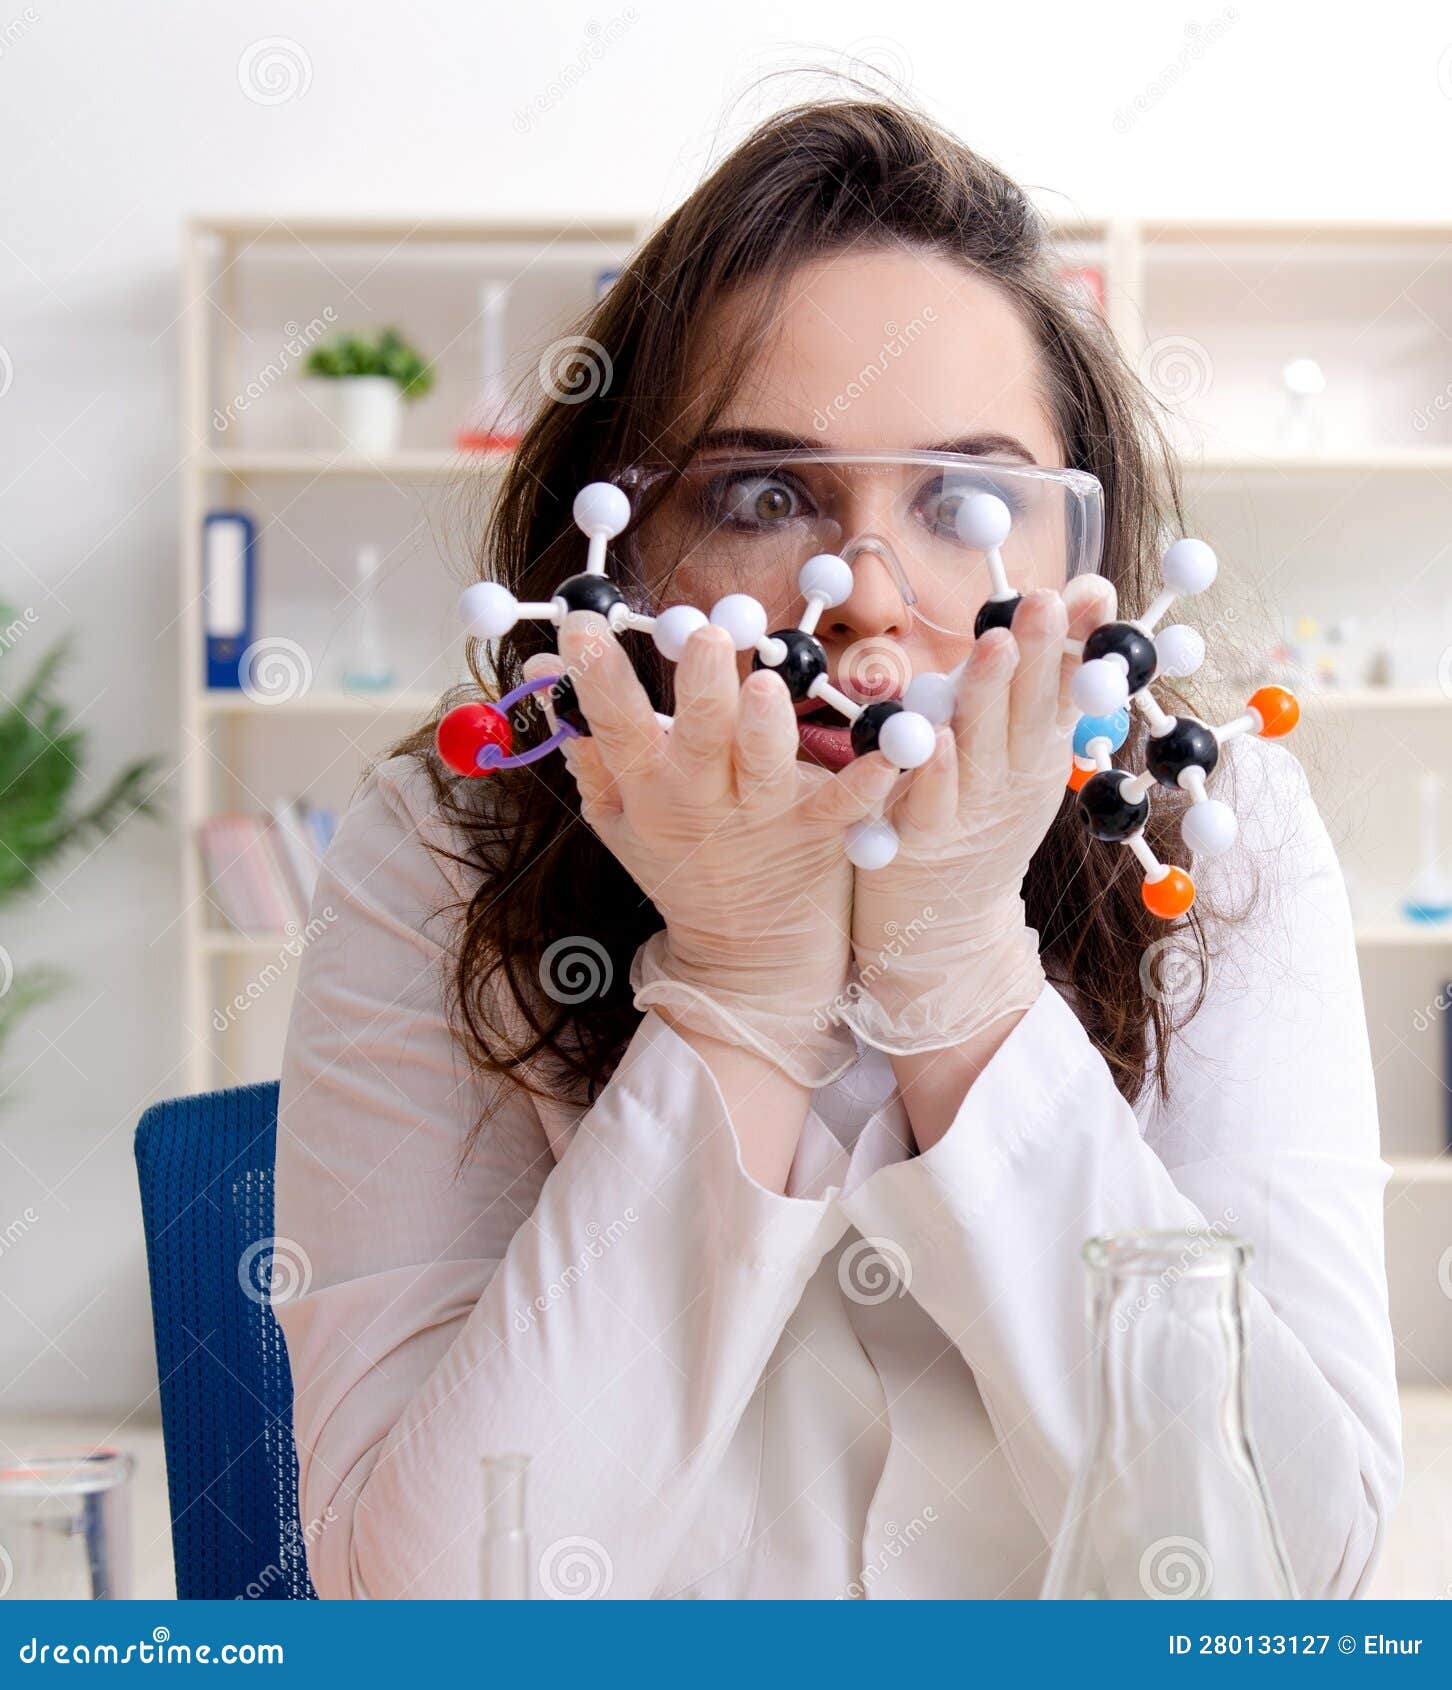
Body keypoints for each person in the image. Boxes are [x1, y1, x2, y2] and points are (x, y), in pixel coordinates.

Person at [273, 96, 1400, 1600]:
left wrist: (960, 981)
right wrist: (740, 986)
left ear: (1087, 558)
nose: (866, 596)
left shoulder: (1211, 830)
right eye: (762, 494)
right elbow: (428, 1606)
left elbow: (1288, 1580)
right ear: (624, 554)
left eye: (966, 500)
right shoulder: (448, 841)